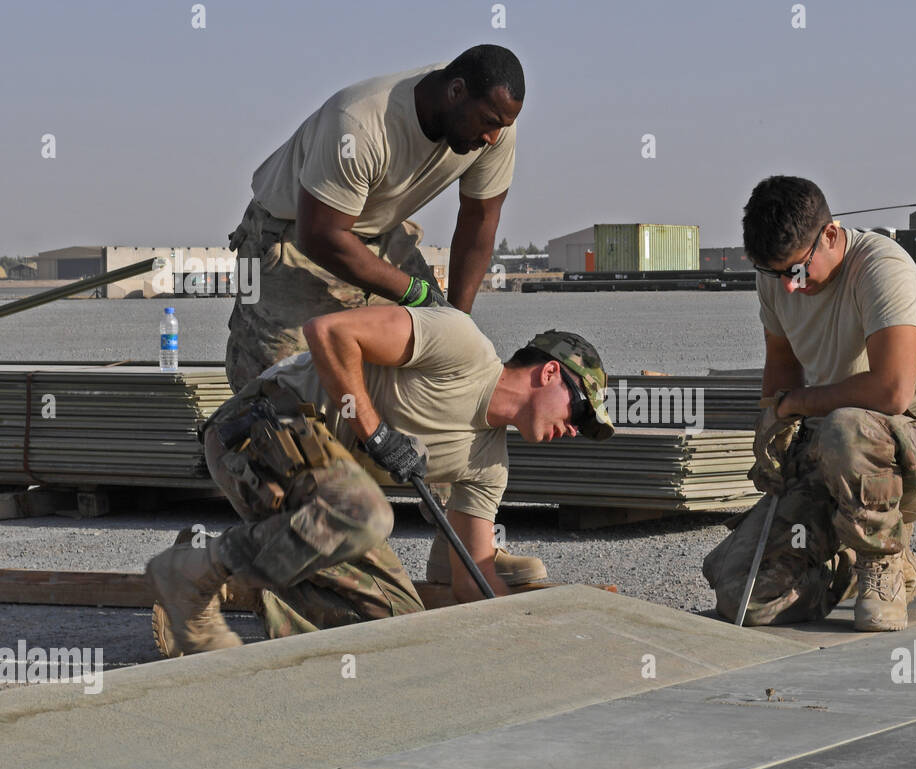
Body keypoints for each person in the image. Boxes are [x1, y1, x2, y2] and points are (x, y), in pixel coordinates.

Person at [147, 304, 614, 656]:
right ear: (549, 372)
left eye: (584, 427)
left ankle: (230, 580)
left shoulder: (488, 465)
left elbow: (473, 579)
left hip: (322, 494)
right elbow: (329, 331)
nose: (573, 428)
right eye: (578, 411)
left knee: (400, 623)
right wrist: (377, 433)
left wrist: (525, 635)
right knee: (369, 515)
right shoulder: (461, 344)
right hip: (259, 432)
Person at [704, 176, 916, 631]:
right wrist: (774, 428)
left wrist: (798, 404)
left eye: (795, 270)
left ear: (829, 235)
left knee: (848, 427)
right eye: (774, 273)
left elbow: (892, 390)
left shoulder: (882, 268)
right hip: (829, 453)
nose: (787, 286)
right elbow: (782, 366)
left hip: (914, 454)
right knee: (742, 596)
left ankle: (881, 563)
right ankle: (849, 560)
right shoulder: (777, 277)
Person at [224, 44, 523, 392]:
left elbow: (479, 220)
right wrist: (414, 292)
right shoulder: (359, 124)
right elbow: (320, 235)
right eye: (488, 123)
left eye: (502, 126)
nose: (493, 137)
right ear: (456, 91)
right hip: (289, 235)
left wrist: (458, 321)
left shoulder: (494, 128)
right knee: (280, 387)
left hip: (375, 231)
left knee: (432, 355)